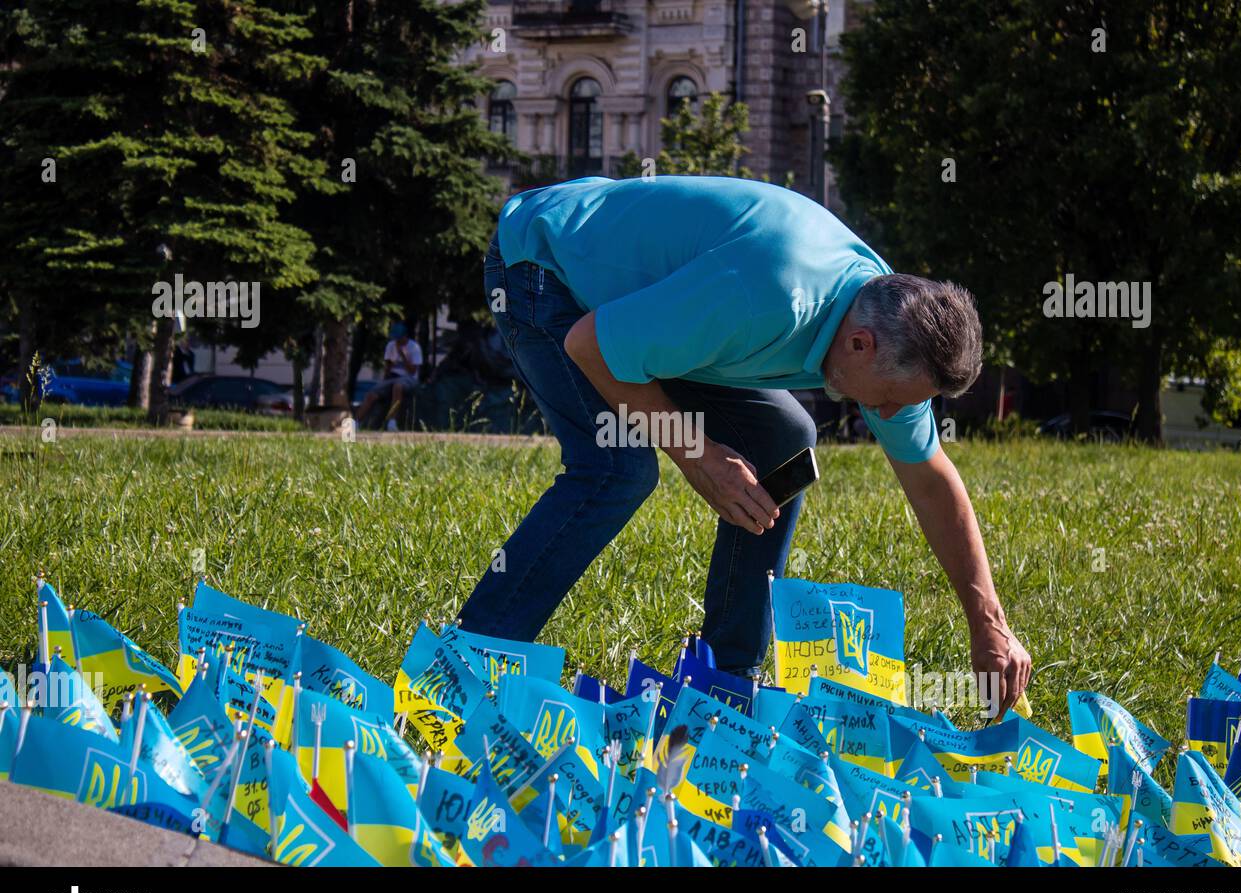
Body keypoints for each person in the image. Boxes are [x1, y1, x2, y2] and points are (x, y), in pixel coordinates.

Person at [458, 176, 1031, 717]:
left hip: (649, 309)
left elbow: (930, 479)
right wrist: (697, 454)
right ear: (860, 344)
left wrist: (989, 623)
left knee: (785, 440)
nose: (886, 416)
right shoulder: (769, 298)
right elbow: (592, 346)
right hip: (545, 270)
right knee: (616, 469)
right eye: (886, 400)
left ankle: (725, 681)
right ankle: (467, 663)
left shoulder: (885, 320)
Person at [356, 322, 423, 431]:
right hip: (392, 377)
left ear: (405, 336)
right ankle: (356, 423)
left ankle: (392, 422)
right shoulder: (391, 346)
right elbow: (388, 368)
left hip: (409, 379)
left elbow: (412, 371)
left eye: (399, 338)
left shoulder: (414, 348)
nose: (397, 341)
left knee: (398, 386)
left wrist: (403, 355)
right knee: (372, 394)